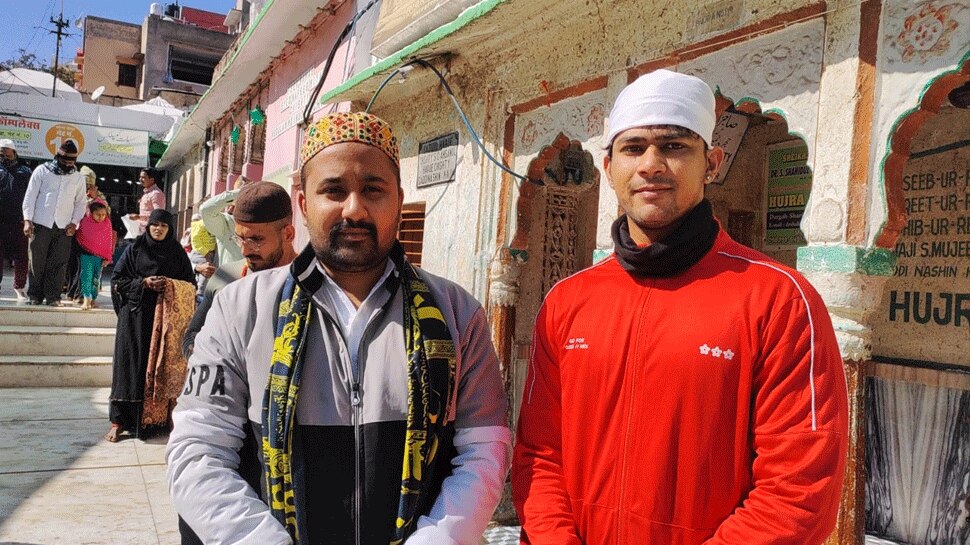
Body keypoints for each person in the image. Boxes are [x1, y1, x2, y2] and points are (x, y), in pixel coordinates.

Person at [512, 69, 848, 545]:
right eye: (633, 148)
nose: (651, 164)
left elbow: (798, 491)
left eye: (673, 146)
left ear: (710, 162)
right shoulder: (568, 302)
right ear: (608, 168)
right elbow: (540, 456)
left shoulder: (779, 300)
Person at [167, 112, 511, 545]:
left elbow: (483, 452)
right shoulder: (239, 309)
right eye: (333, 190)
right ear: (304, 202)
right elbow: (198, 451)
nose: (354, 208)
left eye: (373, 189)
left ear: (399, 199)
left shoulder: (456, 314)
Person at [176, 180, 297, 545]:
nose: (246, 249)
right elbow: (190, 338)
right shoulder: (227, 276)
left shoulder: (308, 284)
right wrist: (222, 357)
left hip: (274, 446)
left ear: (288, 232)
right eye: (241, 239)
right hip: (222, 427)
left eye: (256, 240)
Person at [106, 209, 194, 442]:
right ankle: (118, 422)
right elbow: (117, 280)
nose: (158, 229)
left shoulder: (176, 253)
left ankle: (158, 422)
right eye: (155, 225)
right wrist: (143, 283)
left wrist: (170, 285)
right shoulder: (134, 249)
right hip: (135, 318)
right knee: (130, 367)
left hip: (165, 323)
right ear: (148, 226)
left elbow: (190, 285)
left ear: (169, 229)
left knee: (159, 367)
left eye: (164, 226)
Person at [21, 140, 87, 306]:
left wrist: (74, 223)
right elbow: (30, 196)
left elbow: (80, 203)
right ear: (57, 156)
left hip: (64, 227)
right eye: (65, 161)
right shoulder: (42, 171)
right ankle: (35, 296)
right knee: (37, 261)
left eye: (71, 161)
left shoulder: (78, 178)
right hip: (40, 224)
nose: (68, 164)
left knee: (58, 264)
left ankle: (53, 297)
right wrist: (27, 220)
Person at [0, 138, 32, 303]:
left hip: (19, 222)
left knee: (21, 258)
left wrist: (29, 219)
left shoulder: (25, 171)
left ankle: (19, 288)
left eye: (6, 150)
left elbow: (32, 196)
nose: (3, 153)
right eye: (1, 150)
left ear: (13, 152)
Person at [75, 201, 114, 310]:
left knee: (96, 278)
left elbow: (108, 242)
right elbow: (80, 236)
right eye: (98, 214)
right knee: (86, 276)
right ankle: (87, 298)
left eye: (103, 215)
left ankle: (93, 298)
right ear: (91, 213)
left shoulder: (107, 224)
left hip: (99, 257)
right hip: (86, 255)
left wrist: (108, 257)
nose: (101, 217)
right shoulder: (85, 222)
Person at [129, 168, 166, 235]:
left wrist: (139, 217)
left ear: (151, 180)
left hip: (151, 232)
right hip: (143, 231)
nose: (140, 179)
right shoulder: (147, 193)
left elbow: (158, 215)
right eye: (140, 177)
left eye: (143, 177)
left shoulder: (156, 194)